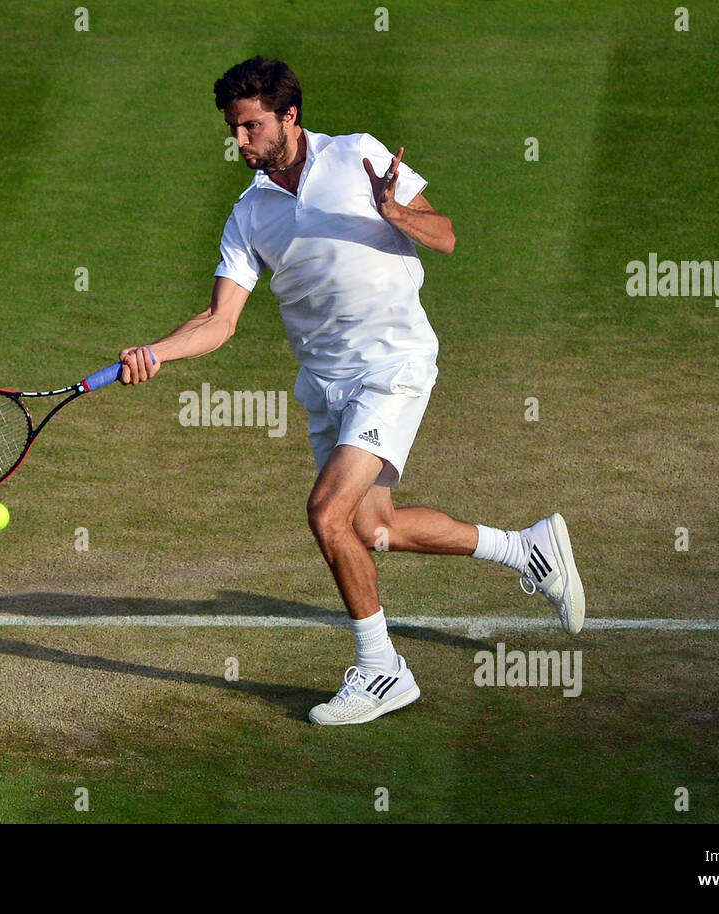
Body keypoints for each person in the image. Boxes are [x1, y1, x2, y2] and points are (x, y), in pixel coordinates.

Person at [115, 57, 585, 725]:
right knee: (374, 527)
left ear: (289, 117)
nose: (241, 142)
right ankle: (526, 549)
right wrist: (154, 353)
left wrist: (393, 211)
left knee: (327, 515)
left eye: (251, 127)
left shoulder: (357, 157)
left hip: (392, 366)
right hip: (327, 385)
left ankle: (381, 670)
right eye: (233, 130)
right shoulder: (248, 216)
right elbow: (220, 321)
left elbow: (445, 236)